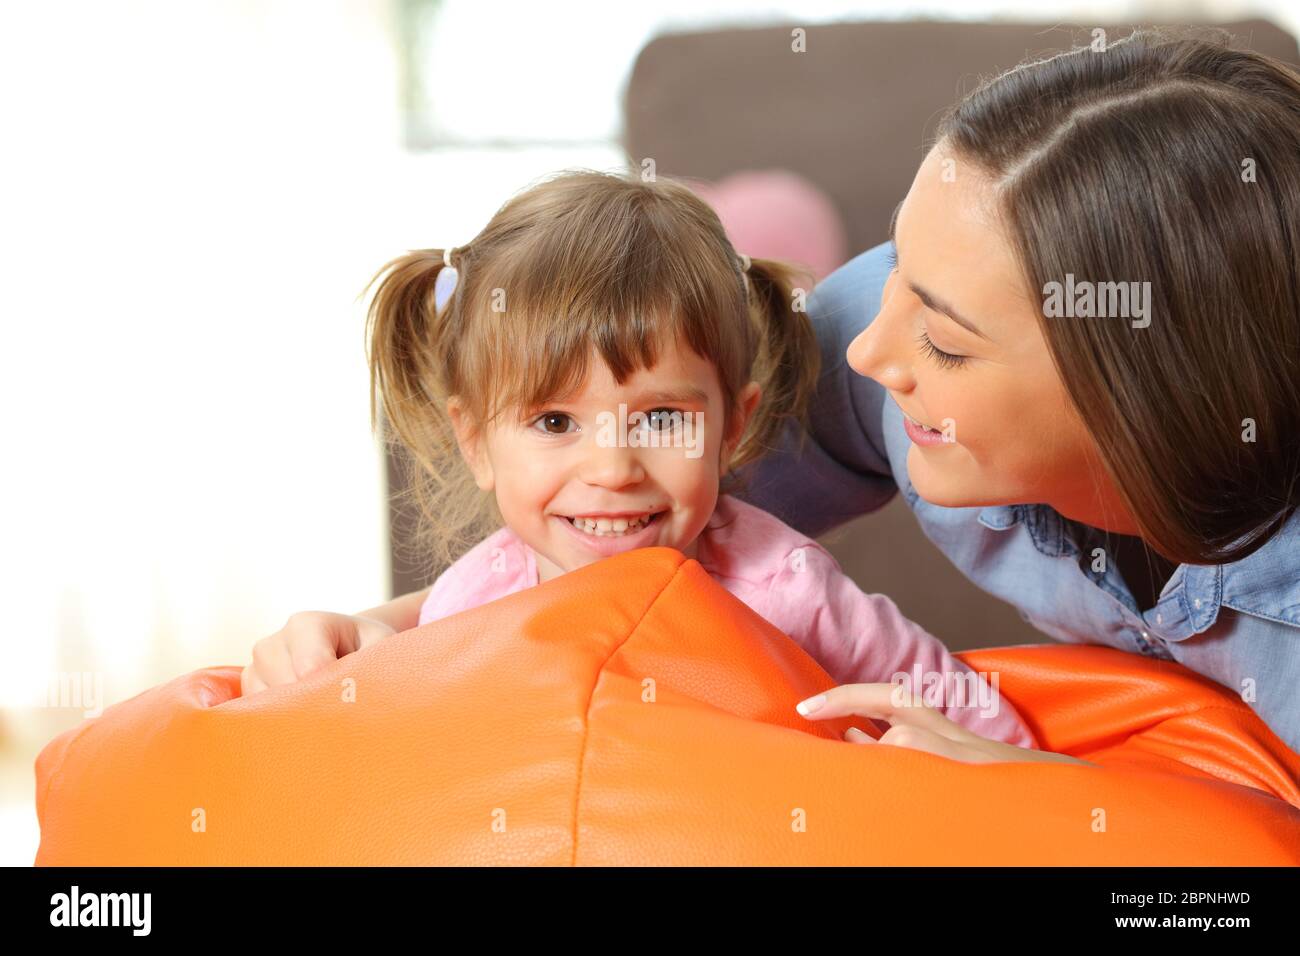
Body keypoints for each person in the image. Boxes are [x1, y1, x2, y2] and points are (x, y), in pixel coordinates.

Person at [239, 168, 1038, 750]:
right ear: (476, 443)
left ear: (732, 430)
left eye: (661, 418)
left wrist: (984, 766)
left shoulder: (782, 588)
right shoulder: (471, 600)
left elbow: (964, 709)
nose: (613, 467)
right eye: (554, 420)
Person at [737, 28, 1300, 758]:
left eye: (943, 342)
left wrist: (1047, 802)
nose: (866, 351)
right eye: (897, 263)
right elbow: (613, 522)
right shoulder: (905, 316)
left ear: (1145, 398)